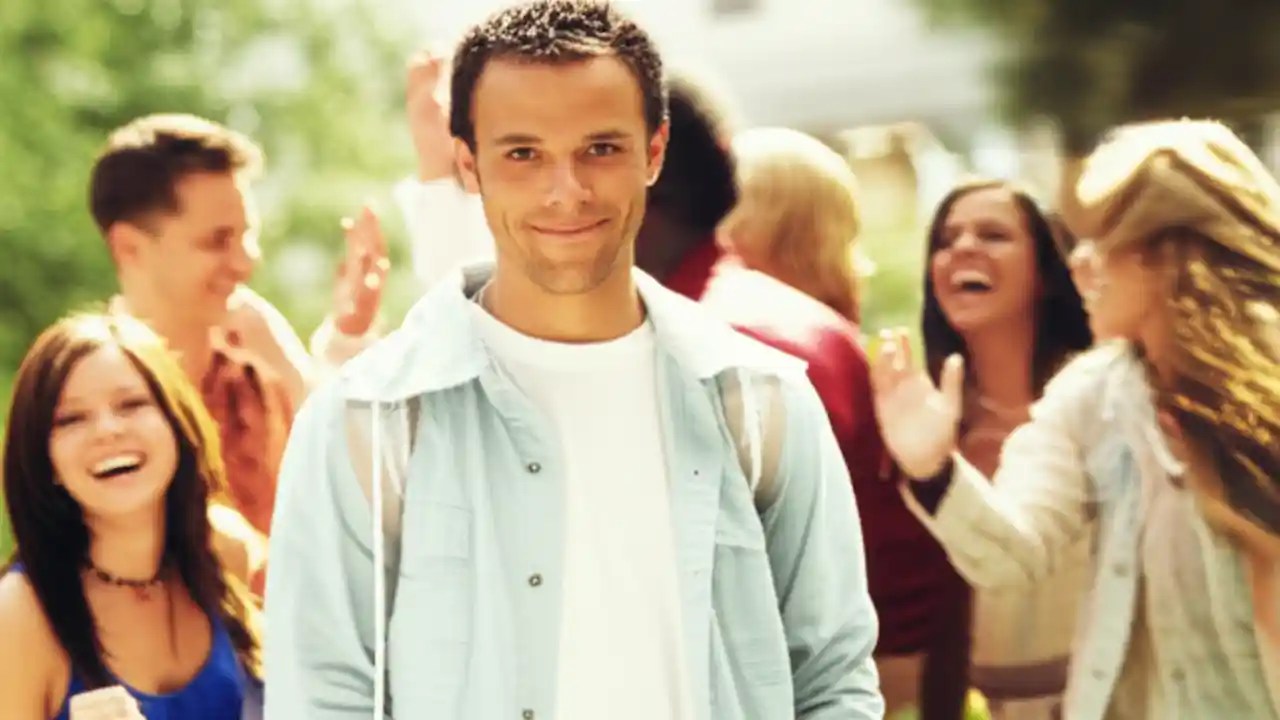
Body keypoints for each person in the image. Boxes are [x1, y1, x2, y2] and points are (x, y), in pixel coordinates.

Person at [265, 2, 883, 718]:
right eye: (523, 153)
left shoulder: (761, 401)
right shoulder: (366, 421)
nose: (567, 192)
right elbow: (320, 698)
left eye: (600, 149)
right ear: (468, 164)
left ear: (653, 152)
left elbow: (833, 676)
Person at [872, 119, 1280, 719]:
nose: (1082, 264)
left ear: (1166, 251)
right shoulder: (1090, 397)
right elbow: (1013, 556)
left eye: (1103, 239)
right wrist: (933, 468)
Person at [89, 113, 386, 539]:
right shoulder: (86, 392)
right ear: (129, 248)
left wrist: (348, 335)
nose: (247, 262)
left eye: (247, 235)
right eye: (217, 241)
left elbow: (352, 476)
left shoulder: (253, 339)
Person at [0, 313, 263, 719]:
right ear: (44, 460)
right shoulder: (20, 616)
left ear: (176, 422)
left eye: (132, 404)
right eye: (70, 419)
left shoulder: (225, 551)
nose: (107, 430)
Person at [917, 179, 1094, 719]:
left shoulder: (1096, 399)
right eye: (946, 240)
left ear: (1045, 272)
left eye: (993, 234)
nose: (963, 249)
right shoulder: (922, 423)